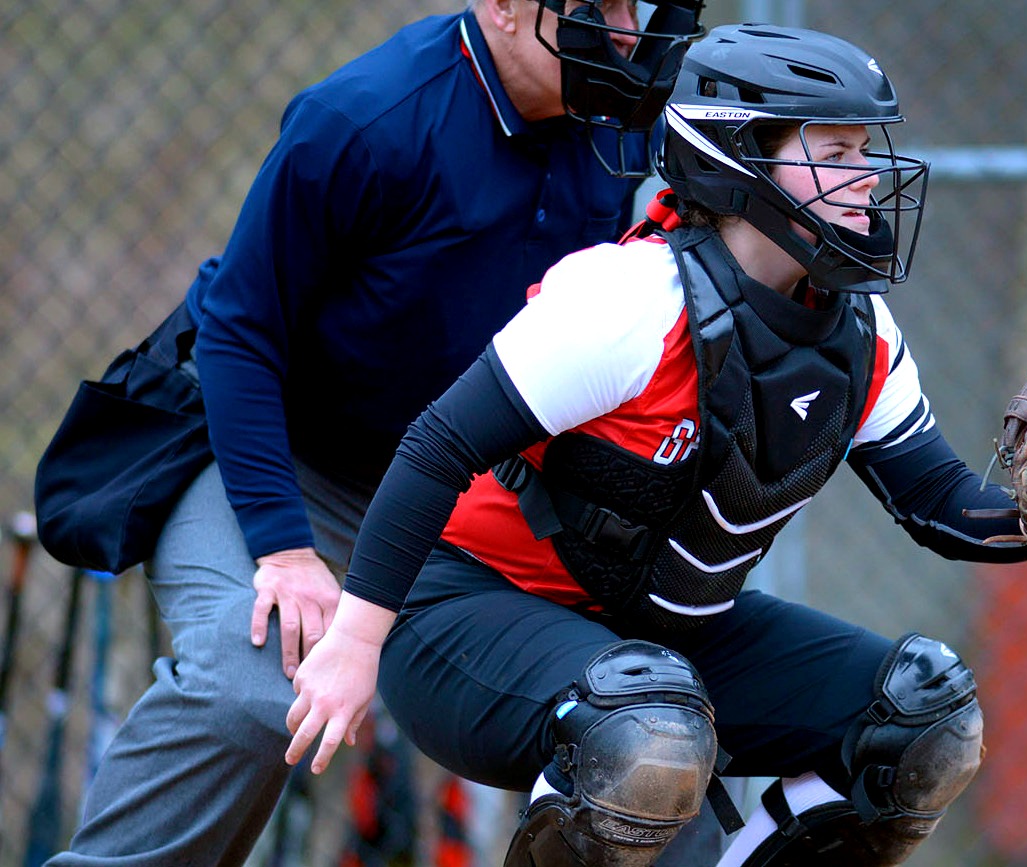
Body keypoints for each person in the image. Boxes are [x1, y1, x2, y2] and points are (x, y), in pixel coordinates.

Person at [284, 23, 1027, 867]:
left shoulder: (857, 331)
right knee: (649, 735)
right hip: (463, 617)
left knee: (923, 719)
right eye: (835, 149)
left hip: (651, 642)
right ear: (739, 156)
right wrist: (353, 645)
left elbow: (945, 508)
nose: (866, 175)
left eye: (865, 148)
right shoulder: (631, 300)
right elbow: (434, 446)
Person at [48, 1, 706, 864]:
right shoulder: (367, 118)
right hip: (289, 454)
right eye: (589, 5)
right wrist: (284, 553)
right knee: (255, 681)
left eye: (632, 2)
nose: (622, 29)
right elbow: (241, 332)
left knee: (645, 706)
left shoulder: (624, 120)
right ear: (502, 7)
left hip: (468, 479)